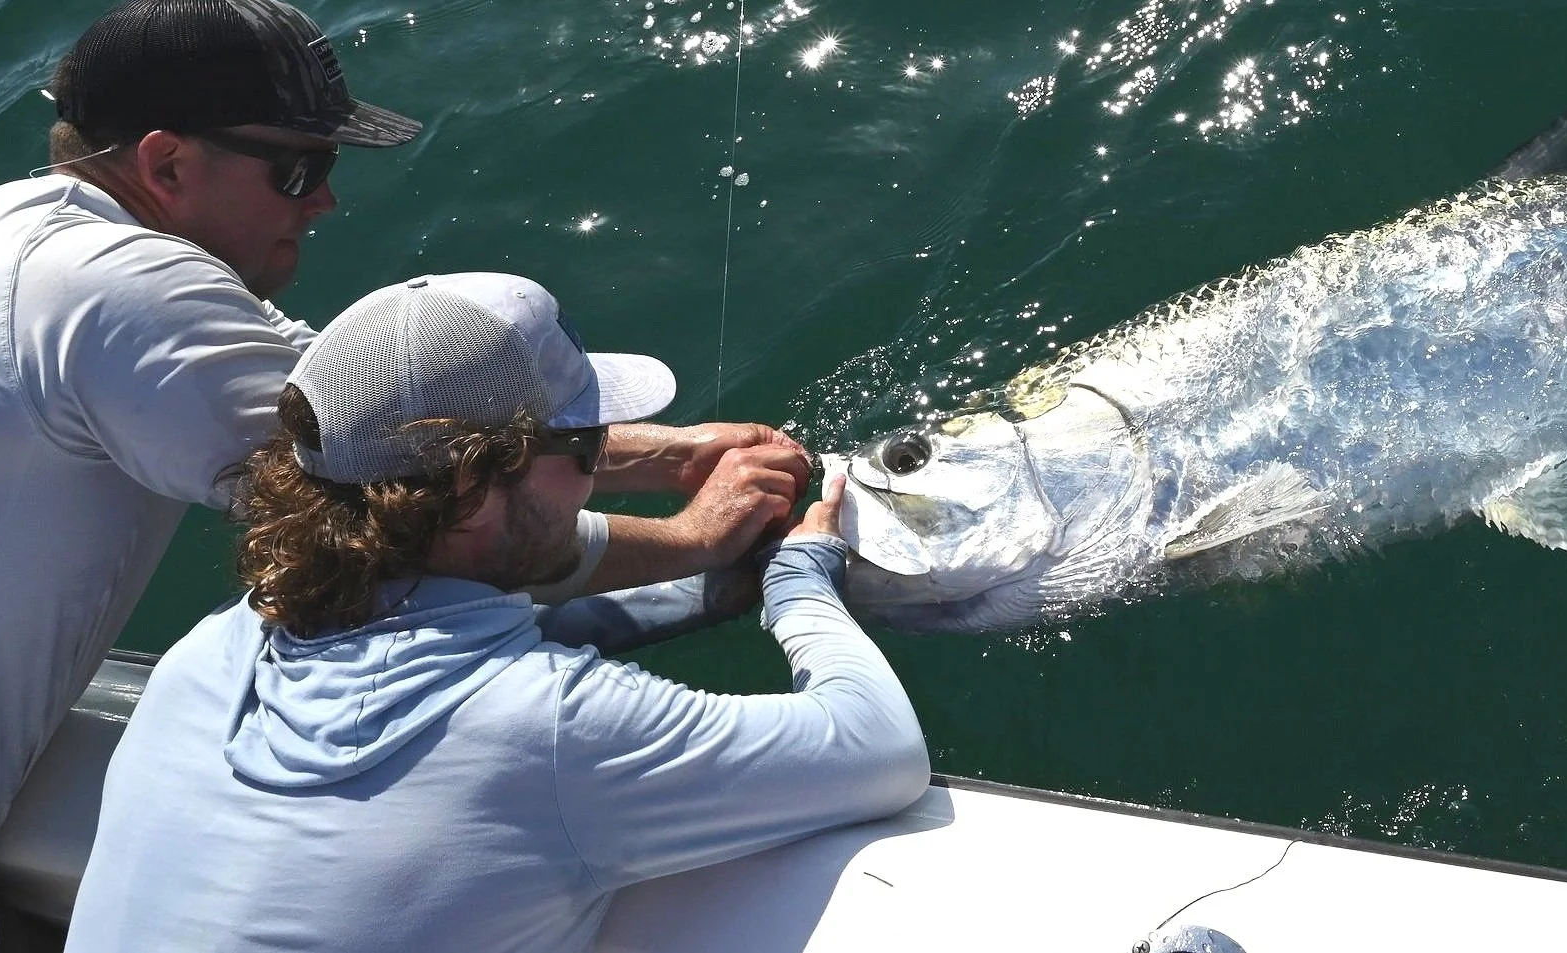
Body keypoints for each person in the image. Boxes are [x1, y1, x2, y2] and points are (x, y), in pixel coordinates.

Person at [0, 0, 804, 953]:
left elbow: (376, 412)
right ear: (165, 161)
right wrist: (693, 540)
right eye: (298, 167)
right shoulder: (120, 297)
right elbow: (409, 500)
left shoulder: (19, 238)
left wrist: (675, 451)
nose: (324, 197)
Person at [66, 273, 929, 951]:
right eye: (586, 445)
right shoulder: (552, 729)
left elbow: (460, 646)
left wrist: (708, 575)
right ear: (474, 493)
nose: (596, 469)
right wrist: (801, 576)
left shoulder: (218, 648)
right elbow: (878, 746)